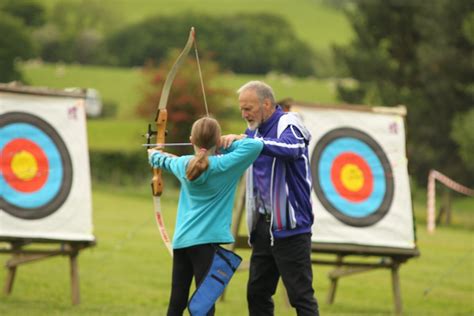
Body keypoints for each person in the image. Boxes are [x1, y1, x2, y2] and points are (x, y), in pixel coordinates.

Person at [148, 116, 263, 316]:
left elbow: (161, 159)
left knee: (176, 302)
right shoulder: (225, 165)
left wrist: (153, 154)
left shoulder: (183, 164)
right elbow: (255, 145)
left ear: (191, 139)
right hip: (208, 243)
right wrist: (230, 141)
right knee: (205, 304)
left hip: (183, 241)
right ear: (218, 140)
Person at [222, 81, 319, 315]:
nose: (244, 114)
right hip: (264, 227)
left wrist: (249, 142)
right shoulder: (253, 130)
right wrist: (217, 145)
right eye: (242, 109)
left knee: (300, 297)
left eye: (249, 109)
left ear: (267, 104)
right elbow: (240, 152)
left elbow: (291, 148)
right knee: (257, 293)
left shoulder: (288, 122)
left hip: (291, 227)